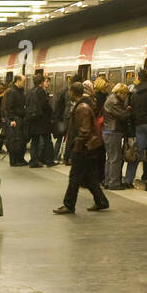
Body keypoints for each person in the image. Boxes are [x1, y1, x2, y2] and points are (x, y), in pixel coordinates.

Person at [55, 82, 109, 214]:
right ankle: (101, 201)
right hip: (86, 148)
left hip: (83, 148)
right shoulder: (82, 105)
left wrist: (76, 144)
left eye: (70, 91)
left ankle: (69, 204)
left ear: (73, 92)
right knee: (88, 177)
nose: (69, 93)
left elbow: (84, 130)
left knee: (74, 177)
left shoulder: (82, 108)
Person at [102, 82, 132, 189]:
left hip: (108, 131)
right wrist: (128, 110)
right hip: (113, 132)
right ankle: (113, 183)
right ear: (120, 92)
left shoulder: (111, 99)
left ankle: (107, 181)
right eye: (124, 94)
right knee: (115, 158)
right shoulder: (114, 101)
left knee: (110, 158)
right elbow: (122, 116)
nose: (125, 97)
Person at [27, 75, 56, 167]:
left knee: (34, 141)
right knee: (47, 141)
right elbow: (45, 106)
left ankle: (33, 161)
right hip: (42, 121)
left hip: (33, 120)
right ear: (41, 82)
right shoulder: (40, 92)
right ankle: (49, 160)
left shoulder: (30, 91)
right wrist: (51, 113)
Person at [3, 75, 28, 166]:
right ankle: (14, 160)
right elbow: (9, 107)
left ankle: (20, 158)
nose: (24, 84)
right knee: (15, 140)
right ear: (18, 81)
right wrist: (12, 119)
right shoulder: (12, 92)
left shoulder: (20, 91)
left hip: (21, 118)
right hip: (16, 119)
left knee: (22, 140)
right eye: (23, 81)